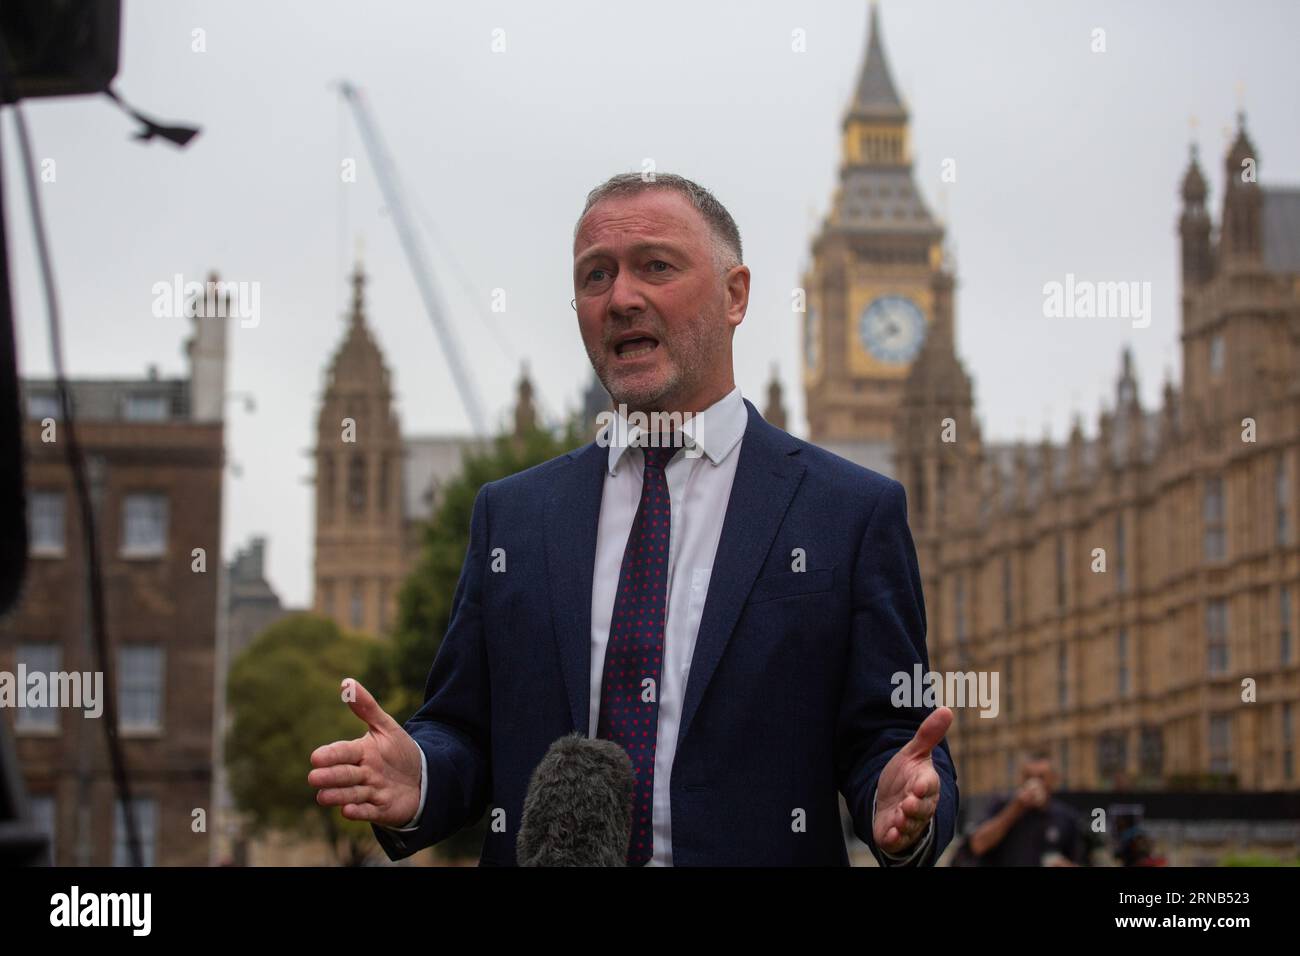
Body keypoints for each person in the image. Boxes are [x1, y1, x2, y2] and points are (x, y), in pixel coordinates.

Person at [308, 172, 959, 866]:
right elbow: (462, 729)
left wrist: (906, 805)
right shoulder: (513, 517)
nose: (620, 298)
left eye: (655, 266)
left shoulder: (849, 513)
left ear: (735, 294)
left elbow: (892, 739)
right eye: (595, 276)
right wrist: (423, 776)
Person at [968, 752, 1088, 866]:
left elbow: (1078, 858)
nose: (1034, 782)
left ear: (1053, 779)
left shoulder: (1065, 816)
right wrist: (1016, 808)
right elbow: (978, 845)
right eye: (1028, 777)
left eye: (1041, 777)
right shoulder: (1002, 805)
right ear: (1020, 779)